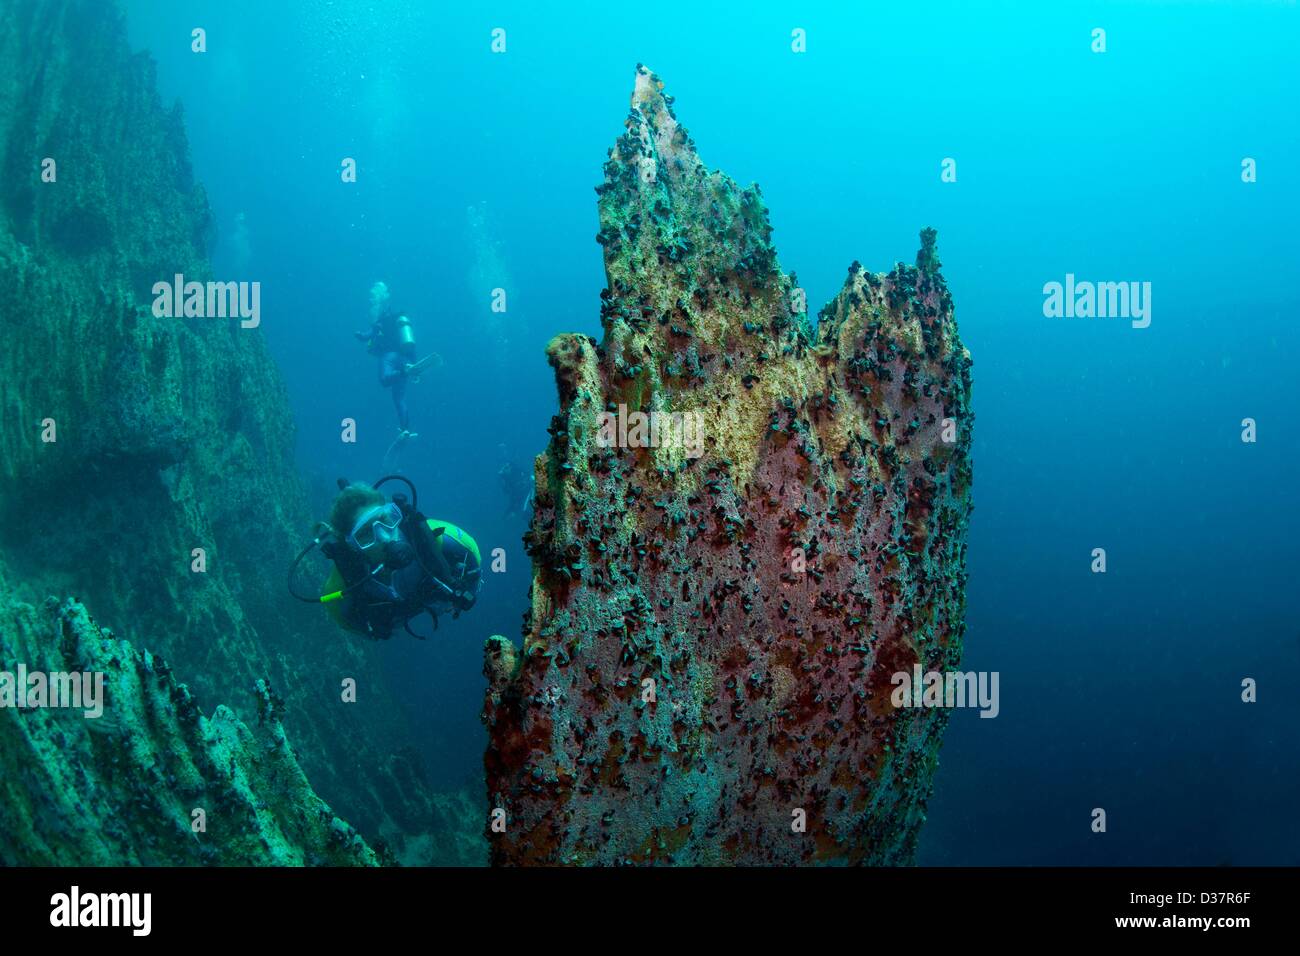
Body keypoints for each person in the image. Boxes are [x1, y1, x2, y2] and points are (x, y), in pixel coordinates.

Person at [289, 476, 481, 640]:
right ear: (351, 546)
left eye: (385, 520)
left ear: (394, 513)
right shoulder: (337, 592)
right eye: (365, 534)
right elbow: (354, 627)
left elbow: (473, 559)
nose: (385, 537)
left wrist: (463, 593)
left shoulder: (446, 539)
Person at [355, 281, 417, 441]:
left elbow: (367, 335)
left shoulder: (380, 320)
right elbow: (410, 345)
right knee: (399, 398)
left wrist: (360, 335)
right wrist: (412, 363)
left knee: (384, 380)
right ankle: (405, 430)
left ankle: (405, 371)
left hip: (390, 357)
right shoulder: (397, 322)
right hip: (405, 358)